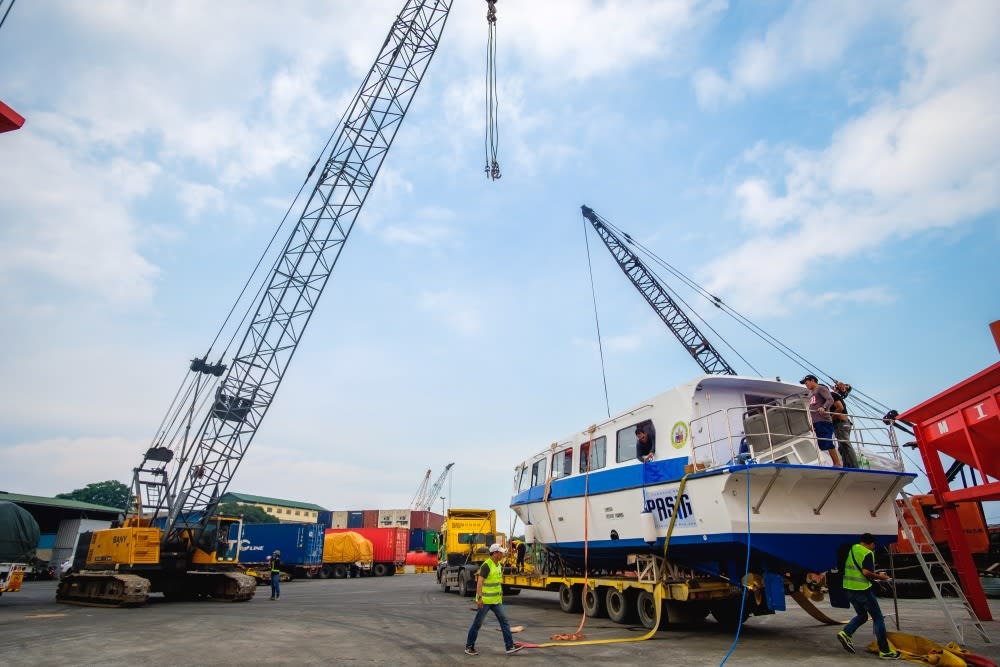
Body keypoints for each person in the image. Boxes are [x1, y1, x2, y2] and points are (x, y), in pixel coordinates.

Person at [837, 533, 901, 660]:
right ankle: (885, 650)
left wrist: (875, 574)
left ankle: (846, 632)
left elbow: (859, 569)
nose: (873, 548)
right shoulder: (867, 553)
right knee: (878, 618)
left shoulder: (853, 548)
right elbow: (866, 572)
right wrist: (881, 577)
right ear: (871, 543)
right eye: (874, 545)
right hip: (862, 590)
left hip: (849, 588)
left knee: (862, 615)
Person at [465, 544, 523, 656]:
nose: (502, 554)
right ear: (495, 553)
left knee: (504, 622)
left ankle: (509, 646)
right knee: (477, 624)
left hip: (496, 601)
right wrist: (479, 598)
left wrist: (500, 594)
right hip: (485, 601)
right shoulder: (486, 565)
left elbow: (496, 582)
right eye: (500, 552)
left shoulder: (499, 565)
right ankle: (469, 646)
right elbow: (480, 582)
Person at [801, 374, 842, 467]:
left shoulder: (821, 388)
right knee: (823, 444)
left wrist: (823, 407)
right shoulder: (811, 393)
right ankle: (835, 463)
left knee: (827, 441)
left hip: (824, 420)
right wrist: (812, 422)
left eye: (806, 383)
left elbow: (830, 399)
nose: (806, 385)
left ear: (812, 380)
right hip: (816, 421)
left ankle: (837, 463)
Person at [831, 380, 858, 468]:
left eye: (846, 386)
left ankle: (853, 466)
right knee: (842, 447)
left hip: (840, 423)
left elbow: (840, 409)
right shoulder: (837, 395)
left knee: (845, 445)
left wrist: (830, 419)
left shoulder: (835, 395)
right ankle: (848, 465)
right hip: (844, 423)